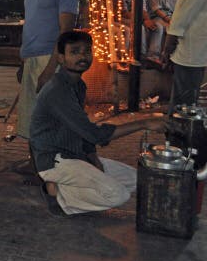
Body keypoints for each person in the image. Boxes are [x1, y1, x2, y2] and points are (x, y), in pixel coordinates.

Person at [30, 31, 166, 215]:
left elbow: (83, 131)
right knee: (118, 195)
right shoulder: (58, 90)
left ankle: (69, 185)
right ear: (61, 58)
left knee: (137, 180)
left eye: (87, 51)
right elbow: (94, 134)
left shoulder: (78, 85)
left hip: (75, 154)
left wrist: (93, 158)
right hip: (55, 160)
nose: (82, 57)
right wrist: (144, 123)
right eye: (74, 52)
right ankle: (57, 195)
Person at [15, 0, 79, 139]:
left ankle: (50, 159)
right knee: (31, 122)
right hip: (31, 60)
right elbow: (31, 24)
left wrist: (50, 70)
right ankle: (35, 157)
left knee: (49, 123)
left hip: (50, 60)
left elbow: (66, 31)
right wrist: (23, 63)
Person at [163, 0, 207, 113]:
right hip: (190, 55)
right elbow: (178, 23)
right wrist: (167, 51)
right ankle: (176, 128)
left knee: (187, 101)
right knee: (184, 103)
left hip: (196, 54)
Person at [145, 0, 181, 66]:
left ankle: (171, 59)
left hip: (172, 18)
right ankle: (153, 56)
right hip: (157, 17)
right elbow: (155, 9)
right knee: (160, 27)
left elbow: (179, 9)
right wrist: (169, 20)